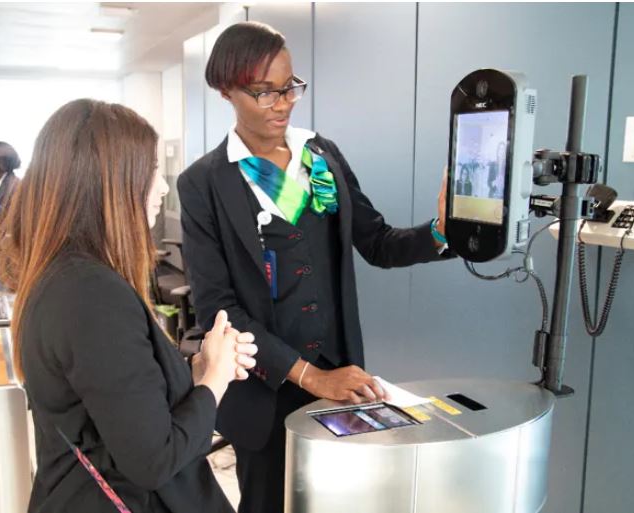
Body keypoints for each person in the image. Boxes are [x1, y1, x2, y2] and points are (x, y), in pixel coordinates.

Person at [177, 22, 451, 513]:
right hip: (265, 390)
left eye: (290, 87)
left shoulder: (318, 153)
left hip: (340, 380)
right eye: (265, 93)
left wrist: (443, 231)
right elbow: (219, 310)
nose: (283, 103)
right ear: (226, 91)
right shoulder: (204, 183)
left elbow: (379, 242)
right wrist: (308, 376)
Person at [0, 98, 257, 513]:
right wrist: (217, 380)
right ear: (112, 183)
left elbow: (120, 400)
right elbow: (154, 459)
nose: (164, 187)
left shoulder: (66, 278)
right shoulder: (92, 296)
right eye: (153, 172)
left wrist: (200, 369)